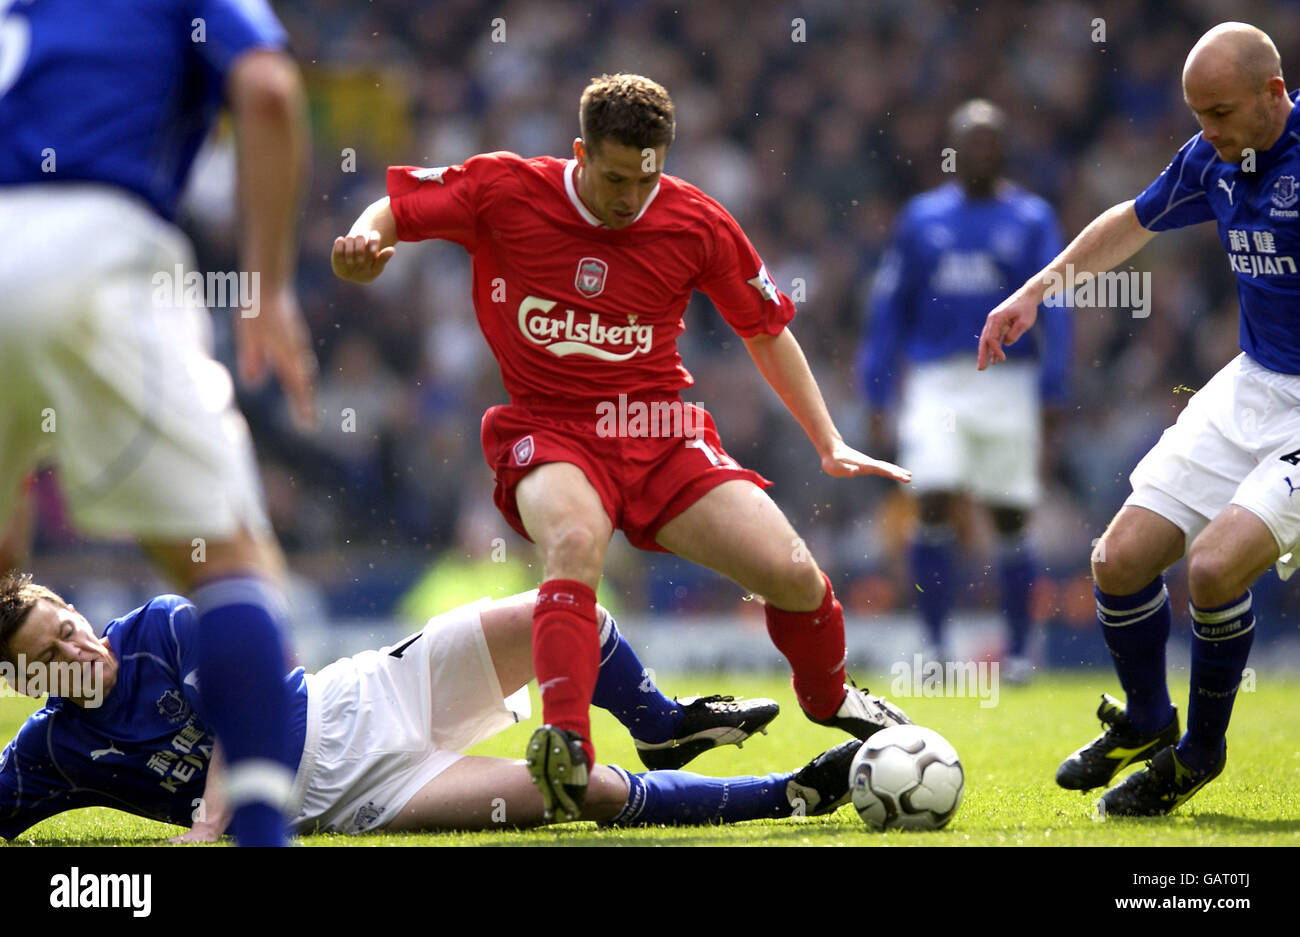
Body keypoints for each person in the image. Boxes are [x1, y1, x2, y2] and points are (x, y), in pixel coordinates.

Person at [331, 73, 912, 821]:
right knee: (575, 538)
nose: (630, 196)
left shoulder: (696, 221)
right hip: (549, 427)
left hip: (659, 433)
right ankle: (566, 743)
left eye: (647, 177)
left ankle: (833, 699)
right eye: (613, 177)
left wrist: (827, 438)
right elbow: (398, 210)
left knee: (794, 573)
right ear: (579, 153)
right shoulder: (506, 190)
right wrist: (369, 239)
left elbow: (764, 330)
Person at [0, 0, 318, 844]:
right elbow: (270, 90)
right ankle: (255, 831)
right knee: (228, 560)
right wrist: (270, 284)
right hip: (96, 245)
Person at [978, 22, 1300, 815]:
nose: (1209, 132)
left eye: (1221, 112)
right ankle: (1149, 717)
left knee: (1216, 569)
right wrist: (1037, 290)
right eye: (1197, 115)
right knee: (1118, 561)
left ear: (1274, 91)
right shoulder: (1213, 157)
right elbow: (1134, 218)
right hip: (1255, 382)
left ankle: (1199, 753)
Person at [0, 572, 863, 840]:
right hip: (356, 793)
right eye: (51, 656)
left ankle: (663, 726)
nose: (81, 648)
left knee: (563, 613)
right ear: (28, 685)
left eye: (69, 623)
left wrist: (212, 818)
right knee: (579, 789)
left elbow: (244, 706)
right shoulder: (54, 753)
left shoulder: (158, 625)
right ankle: (794, 792)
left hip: (372, 689)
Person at [860, 100, 1069, 681]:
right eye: (968, 142)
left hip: (1009, 378)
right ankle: (933, 646)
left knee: (1009, 515)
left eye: (989, 142)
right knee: (932, 496)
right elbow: (889, 309)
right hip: (938, 381)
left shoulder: (1030, 218)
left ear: (1002, 150)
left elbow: (1057, 307)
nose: (979, 153)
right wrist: (876, 391)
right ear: (951, 150)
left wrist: (1053, 388)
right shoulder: (921, 220)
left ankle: (1021, 652)